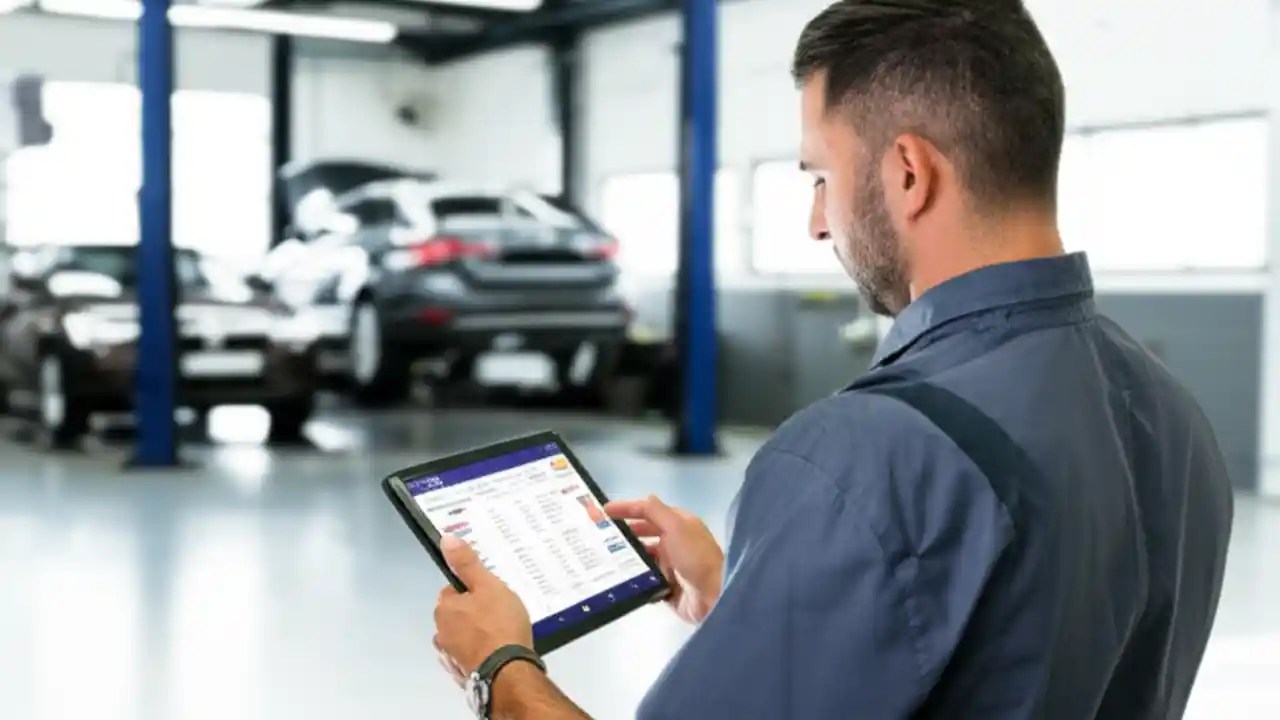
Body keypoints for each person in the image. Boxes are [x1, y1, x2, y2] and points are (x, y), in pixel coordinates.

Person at [432, 1, 1235, 717]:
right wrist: (748, 599)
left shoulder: (860, 456)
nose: (819, 223)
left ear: (909, 174)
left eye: (821, 176)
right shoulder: (1168, 411)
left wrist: (499, 668)